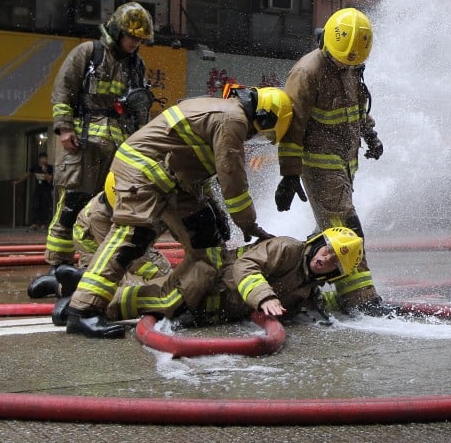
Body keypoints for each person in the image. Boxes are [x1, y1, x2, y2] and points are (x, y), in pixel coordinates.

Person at [62, 86, 292, 338]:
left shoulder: (224, 111)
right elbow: (232, 179)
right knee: (131, 239)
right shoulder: (234, 119)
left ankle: (181, 301)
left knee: (208, 244)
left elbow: (197, 169)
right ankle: (83, 309)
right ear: (264, 117)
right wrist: (249, 226)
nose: (253, 139)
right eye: (263, 134)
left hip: (174, 180)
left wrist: (217, 214)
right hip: (144, 172)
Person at [274, 7, 391, 315]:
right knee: (346, 228)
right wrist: (289, 175)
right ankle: (361, 299)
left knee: (326, 232)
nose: (347, 65)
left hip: (345, 164)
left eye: (353, 61)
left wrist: (371, 137)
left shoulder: (352, 64)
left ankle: (289, 281)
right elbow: (292, 126)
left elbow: (357, 108)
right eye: (343, 59)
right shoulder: (307, 72)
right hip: (319, 164)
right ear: (327, 43)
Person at [51, 228, 365, 330]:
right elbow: (246, 268)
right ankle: (78, 305)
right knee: (158, 300)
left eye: (334, 261)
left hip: (214, 308)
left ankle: (77, 283)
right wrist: (265, 297)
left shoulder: (308, 286)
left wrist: (352, 305)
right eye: (327, 250)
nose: (325, 258)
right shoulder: (287, 249)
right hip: (209, 281)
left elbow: (316, 304)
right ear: (318, 242)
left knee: (155, 294)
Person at [45, 2, 156, 270]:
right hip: (82, 143)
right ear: (117, 31)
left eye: (140, 39)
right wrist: (64, 128)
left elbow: (140, 109)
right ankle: (58, 264)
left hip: (118, 148)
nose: (136, 43)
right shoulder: (88, 53)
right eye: (132, 37)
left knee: (102, 206)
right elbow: (63, 89)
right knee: (73, 201)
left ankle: (89, 264)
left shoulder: (136, 65)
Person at [26, 189, 173, 299]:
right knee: (133, 287)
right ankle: (65, 286)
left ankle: (80, 281)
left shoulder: (140, 198)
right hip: (97, 248)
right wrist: (164, 277)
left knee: (162, 281)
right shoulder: (100, 215)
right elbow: (123, 256)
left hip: (117, 246)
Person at [13, 152, 54, 231]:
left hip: (46, 189)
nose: (45, 160)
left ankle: (43, 224)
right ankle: (34, 223)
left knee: (44, 206)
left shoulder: (50, 167)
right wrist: (18, 182)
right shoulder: (35, 167)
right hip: (38, 189)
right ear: (39, 159)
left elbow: (50, 180)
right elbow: (27, 175)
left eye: (46, 158)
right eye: (43, 158)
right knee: (35, 205)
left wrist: (45, 171)